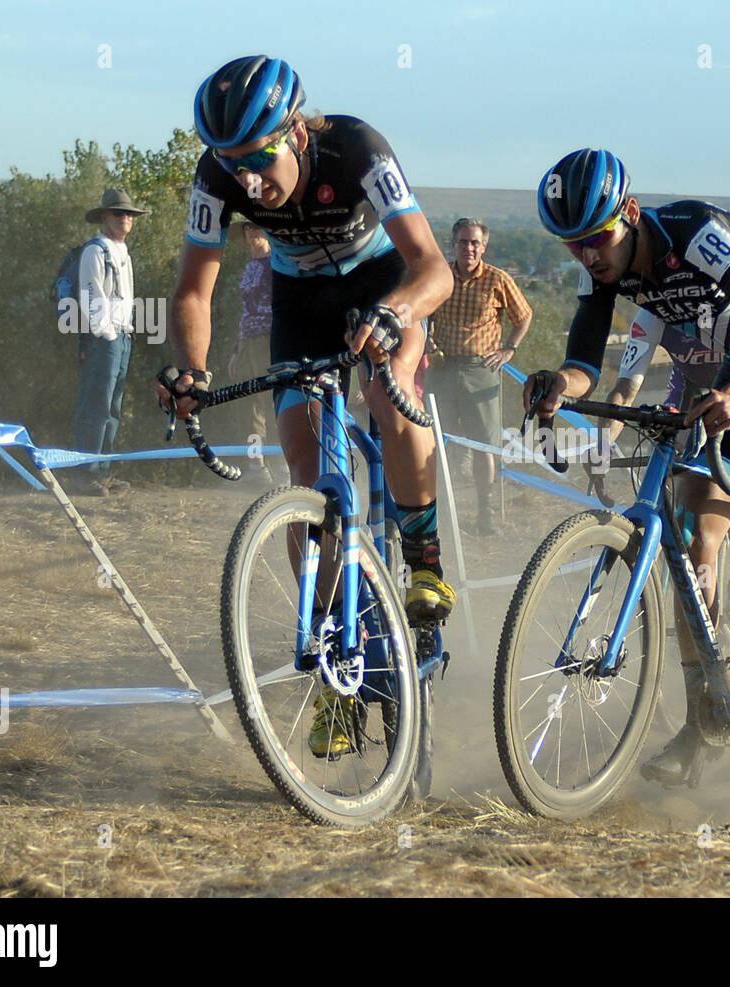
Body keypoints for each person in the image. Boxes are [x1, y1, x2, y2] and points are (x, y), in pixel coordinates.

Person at [157, 55, 454, 758]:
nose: (247, 179)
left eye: (258, 157)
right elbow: (194, 290)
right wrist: (191, 370)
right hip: (303, 307)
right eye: (233, 163)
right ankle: (332, 662)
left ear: (294, 130)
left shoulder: (356, 148)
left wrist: (395, 314)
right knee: (303, 460)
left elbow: (434, 266)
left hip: (388, 283)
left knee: (390, 395)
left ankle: (424, 561)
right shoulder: (215, 178)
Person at [528, 148, 730, 785]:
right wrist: (557, 383)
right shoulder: (600, 269)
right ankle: (703, 721)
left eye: (596, 238)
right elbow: (587, 364)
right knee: (692, 548)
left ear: (630, 212)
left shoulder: (698, 236)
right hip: (725, 372)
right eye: (573, 246)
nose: (588, 255)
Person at [607, 314, 730, 616]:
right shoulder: (653, 314)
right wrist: (600, 444)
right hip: (689, 396)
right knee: (676, 492)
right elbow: (625, 391)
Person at [428, 218, 532, 535]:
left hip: (481, 370)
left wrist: (509, 349)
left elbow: (524, 315)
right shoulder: (440, 275)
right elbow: (422, 313)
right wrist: (427, 339)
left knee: (484, 445)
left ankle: (484, 515)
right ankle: (439, 517)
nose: (469, 248)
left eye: (474, 242)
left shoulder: (498, 279)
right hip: (441, 369)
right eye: (463, 241)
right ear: (453, 244)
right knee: (436, 443)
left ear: (484, 246)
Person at [70, 188, 149, 496]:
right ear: (104, 217)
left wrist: (123, 333)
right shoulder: (96, 250)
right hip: (106, 338)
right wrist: (107, 333)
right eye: (118, 213)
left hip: (122, 336)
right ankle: (85, 474)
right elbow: (91, 296)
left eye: (128, 214)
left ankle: (101, 472)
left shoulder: (122, 252)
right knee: (96, 405)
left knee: (112, 407)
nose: (125, 218)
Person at [226, 221, 277, 483]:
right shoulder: (250, 266)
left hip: (269, 338)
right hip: (248, 341)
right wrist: (237, 349)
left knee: (271, 402)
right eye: (248, 229)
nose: (253, 232)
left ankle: (284, 464)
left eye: (258, 227)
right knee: (249, 404)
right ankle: (256, 465)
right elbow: (246, 311)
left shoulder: (276, 263)